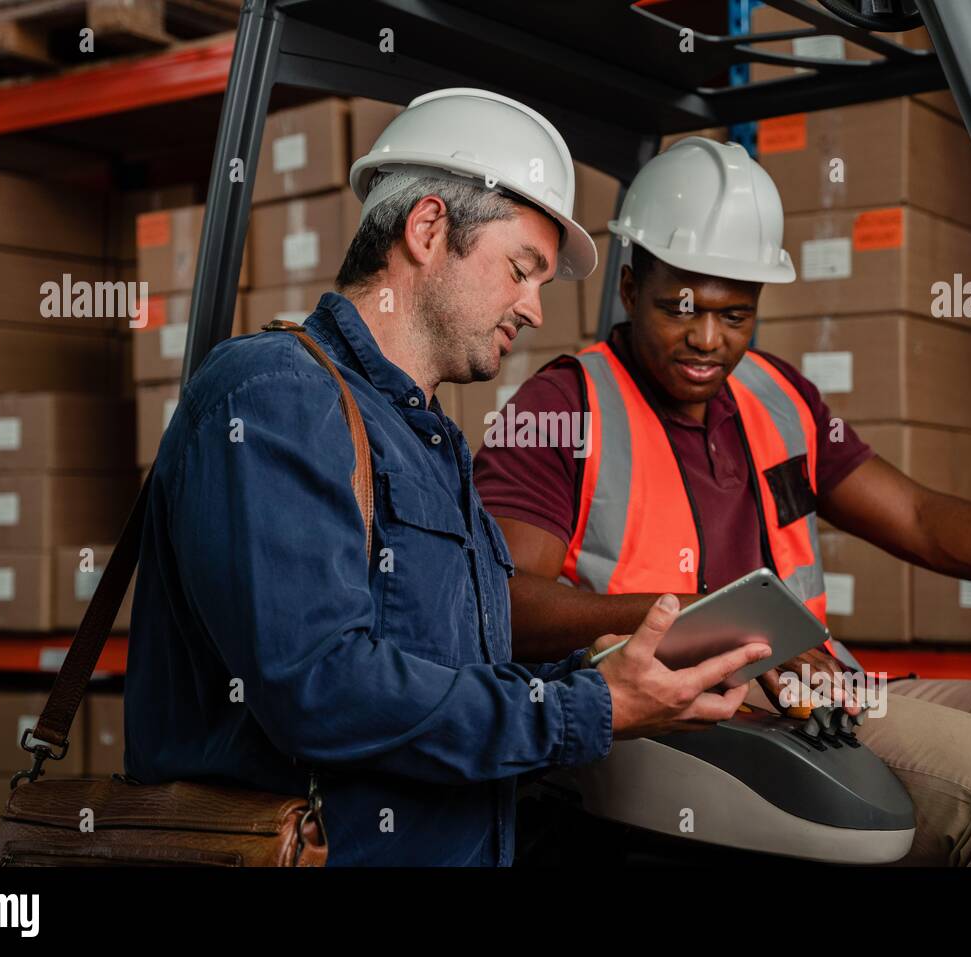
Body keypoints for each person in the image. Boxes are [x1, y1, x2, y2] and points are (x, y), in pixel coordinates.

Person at [473, 136, 971, 866]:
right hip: (687, 722)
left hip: (826, 695)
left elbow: (919, 519)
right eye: (679, 309)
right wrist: (683, 611)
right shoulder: (565, 406)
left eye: (737, 314)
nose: (708, 340)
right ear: (629, 290)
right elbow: (502, 603)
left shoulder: (780, 398)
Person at [122, 90, 772, 867]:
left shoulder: (430, 441)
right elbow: (321, 688)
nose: (534, 309)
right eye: (521, 271)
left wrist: (603, 667)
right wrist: (584, 709)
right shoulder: (274, 396)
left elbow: (456, 670)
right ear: (429, 229)